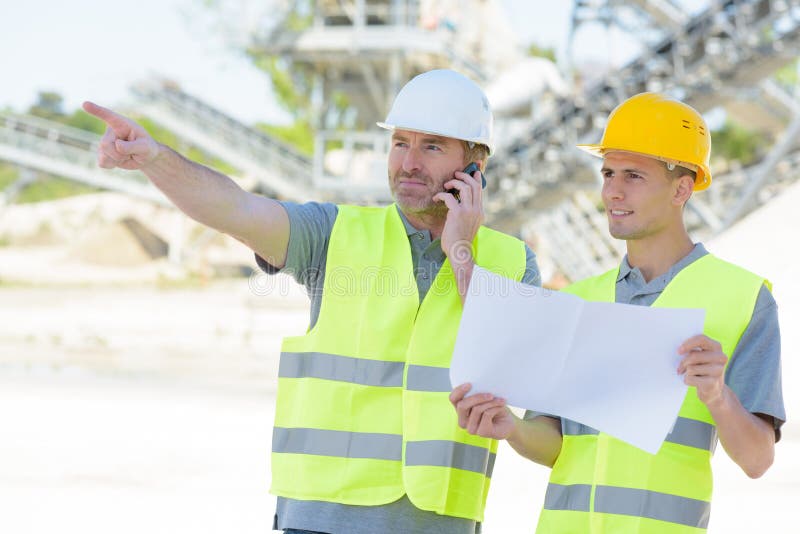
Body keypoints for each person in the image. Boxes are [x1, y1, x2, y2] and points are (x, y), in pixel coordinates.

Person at [84, 68, 541, 534]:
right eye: (400, 142)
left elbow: (520, 365)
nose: (408, 162)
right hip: (322, 517)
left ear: (474, 168)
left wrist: (461, 253)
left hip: (441, 522)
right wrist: (156, 160)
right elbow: (236, 209)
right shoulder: (332, 231)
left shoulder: (512, 262)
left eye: (432, 146)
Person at [450, 92, 785, 533]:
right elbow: (554, 445)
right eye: (607, 172)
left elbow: (758, 460)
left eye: (633, 175)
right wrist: (510, 426)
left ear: (682, 188)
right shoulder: (580, 299)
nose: (612, 190)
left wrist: (718, 396)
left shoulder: (743, 298)